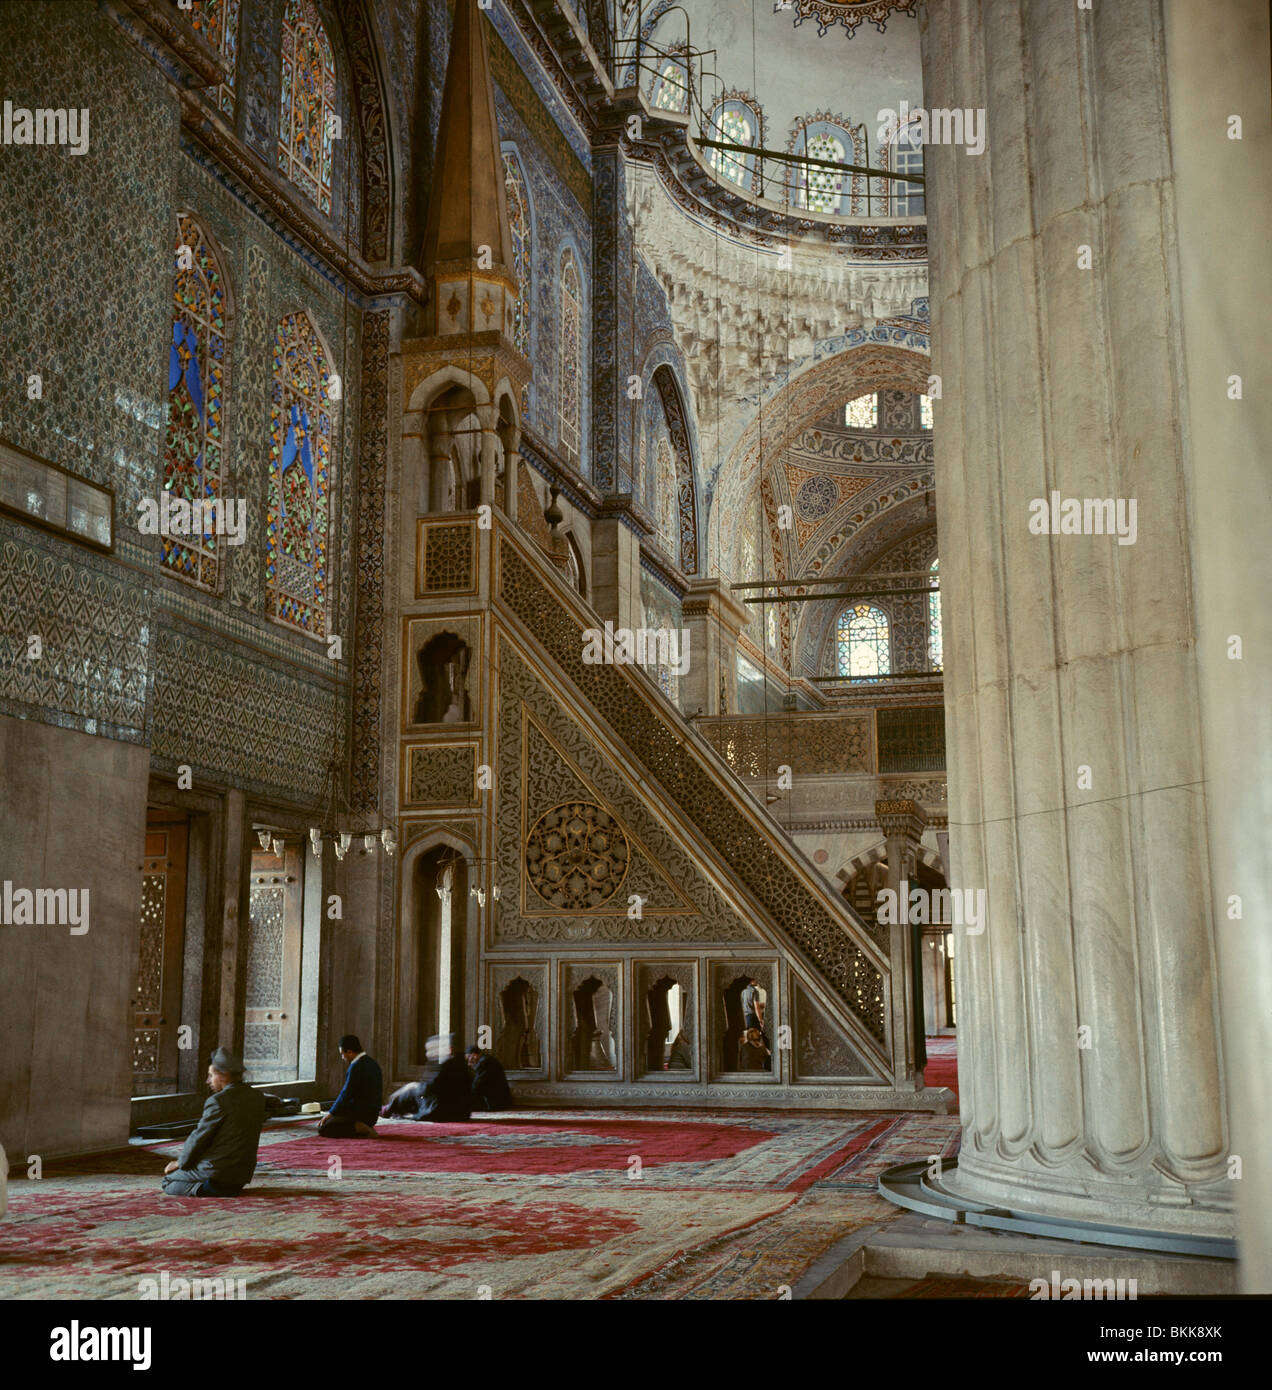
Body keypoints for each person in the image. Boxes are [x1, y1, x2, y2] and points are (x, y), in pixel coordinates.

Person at [161, 1048, 265, 1197]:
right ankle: (222, 1186)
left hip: (218, 1172)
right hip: (242, 1174)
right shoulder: (257, 1096)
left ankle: (211, 1188)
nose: (207, 1081)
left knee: (168, 1182)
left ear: (223, 1075)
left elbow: (199, 1138)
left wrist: (179, 1163)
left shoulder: (218, 1101)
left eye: (211, 1075)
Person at [318, 1035, 383, 1138]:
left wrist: (331, 1113)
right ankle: (362, 1128)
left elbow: (346, 1094)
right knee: (333, 1122)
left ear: (349, 1052)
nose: (342, 1058)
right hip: (372, 1116)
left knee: (325, 1128)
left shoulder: (356, 1066)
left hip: (361, 1115)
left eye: (342, 1054)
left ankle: (361, 1128)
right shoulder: (373, 1063)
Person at [413, 1044, 472, 1122]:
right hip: (463, 1114)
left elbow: (428, 1088)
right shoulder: (464, 1066)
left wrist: (416, 1087)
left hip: (443, 1114)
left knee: (411, 1091)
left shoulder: (444, 1066)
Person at [467, 1044, 512, 1111]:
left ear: (474, 1055)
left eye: (468, 1058)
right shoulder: (487, 1059)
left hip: (493, 1103)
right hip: (501, 1100)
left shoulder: (483, 1063)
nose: (468, 1061)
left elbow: (477, 1085)